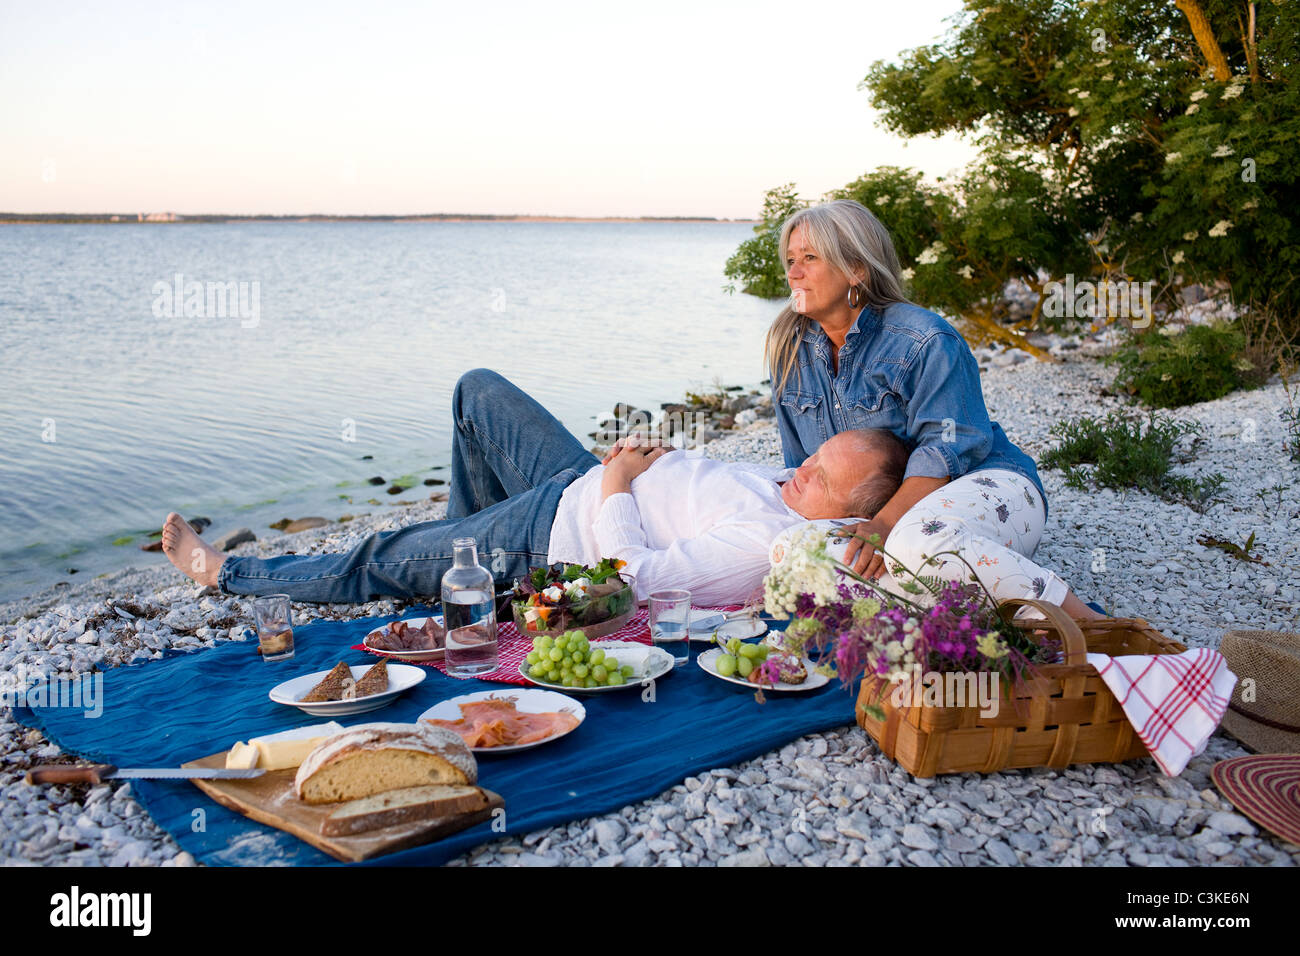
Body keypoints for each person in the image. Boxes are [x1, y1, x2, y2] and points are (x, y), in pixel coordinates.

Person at [161, 369, 910, 608]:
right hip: (573, 483)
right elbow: (702, 486)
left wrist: (619, 480)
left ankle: (227, 571)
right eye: (814, 457)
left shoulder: (767, 545)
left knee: (379, 554)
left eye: (817, 479)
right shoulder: (785, 487)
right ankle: (458, 575)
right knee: (477, 394)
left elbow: (633, 581)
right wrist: (637, 459)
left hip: (551, 538)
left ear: (849, 515)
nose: (801, 469)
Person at [765, 199, 1104, 620]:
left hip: (983, 484)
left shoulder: (923, 340)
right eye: (791, 259)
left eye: (809, 258)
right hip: (884, 525)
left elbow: (945, 452)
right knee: (789, 552)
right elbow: (801, 469)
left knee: (913, 544)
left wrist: (885, 526)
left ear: (856, 269)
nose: (793, 272)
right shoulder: (789, 353)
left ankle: (1091, 625)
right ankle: (965, 620)